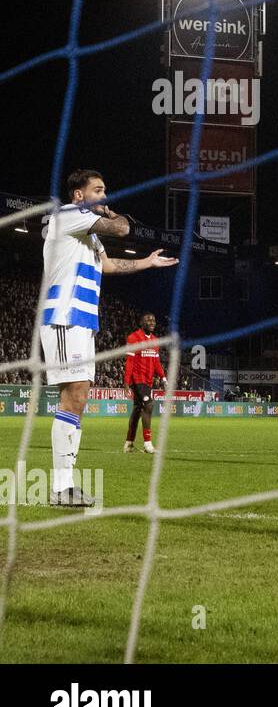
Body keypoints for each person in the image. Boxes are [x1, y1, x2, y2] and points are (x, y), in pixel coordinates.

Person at [40, 170, 177, 505]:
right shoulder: (71, 216)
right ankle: (61, 487)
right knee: (73, 397)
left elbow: (109, 267)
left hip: (84, 322)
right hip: (64, 317)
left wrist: (146, 262)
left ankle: (65, 485)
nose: (104, 195)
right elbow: (123, 227)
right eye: (97, 190)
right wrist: (114, 214)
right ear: (78, 196)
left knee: (79, 399)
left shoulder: (87, 234)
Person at [123, 312, 166, 454]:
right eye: (148, 320)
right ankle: (148, 444)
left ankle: (128, 444)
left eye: (153, 319)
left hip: (148, 381)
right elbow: (129, 362)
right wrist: (126, 382)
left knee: (137, 410)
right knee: (149, 405)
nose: (152, 322)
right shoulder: (133, 338)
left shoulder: (155, 341)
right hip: (137, 379)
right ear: (141, 323)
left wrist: (163, 378)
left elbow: (156, 362)